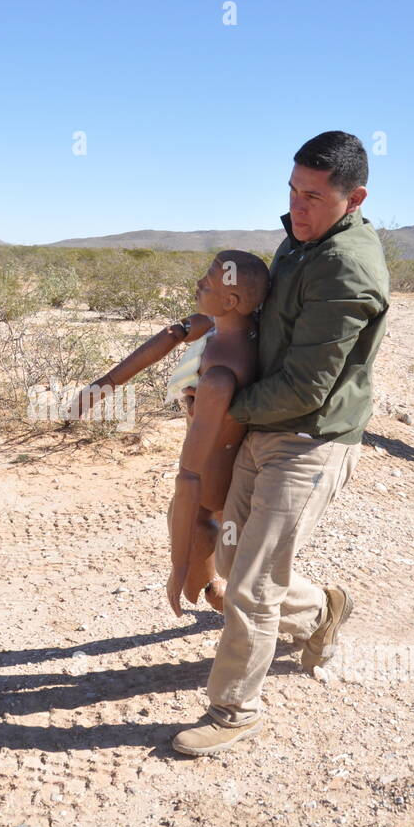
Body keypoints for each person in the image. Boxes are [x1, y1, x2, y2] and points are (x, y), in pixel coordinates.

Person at [172, 131, 391, 757]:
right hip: (264, 428)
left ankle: (233, 711)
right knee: (239, 561)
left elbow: (309, 385)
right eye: (293, 192)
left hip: (309, 439)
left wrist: (221, 409)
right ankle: (321, 610)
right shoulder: (299, 243)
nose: (298, 208)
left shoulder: (347, 268)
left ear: (355, 199)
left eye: (315, 197)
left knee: (251, 586)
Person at [69, 251, 270, 611]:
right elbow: (173, 334)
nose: (198, 284)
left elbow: (189, 476)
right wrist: (103, 386)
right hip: (221, 480)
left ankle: (308, 617)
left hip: (213, 486)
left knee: (226, 571)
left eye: (207, 282)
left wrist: (177, 568)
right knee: (222, 564)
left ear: (231, 300)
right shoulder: (228, 328)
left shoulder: (221, 372)